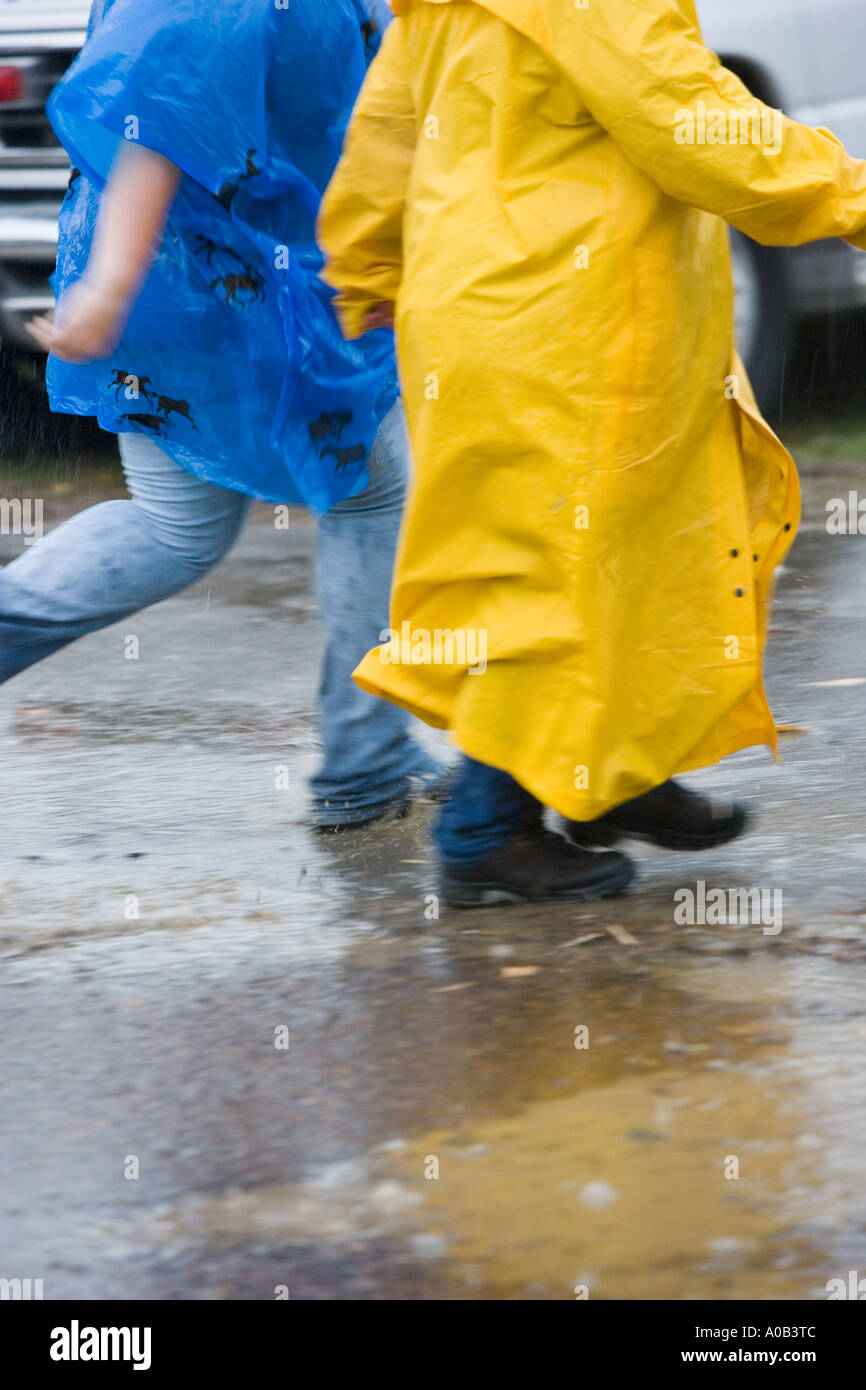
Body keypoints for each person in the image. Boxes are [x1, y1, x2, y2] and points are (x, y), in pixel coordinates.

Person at [318, 0, 866, 903]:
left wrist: (372, 264)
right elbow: (703, 129)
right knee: (554, 579)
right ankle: (485, 831)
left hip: (491, 314)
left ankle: (612, 776)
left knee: (611, 557)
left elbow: (386, 133)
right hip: (573, 330)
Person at [0, 0, 444, 830]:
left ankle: (369, 758)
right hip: (232, 293)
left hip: (208, 285)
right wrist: (108, 288)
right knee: (372, 491)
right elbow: (160, 116)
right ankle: (366, 763)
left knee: (177, 529)